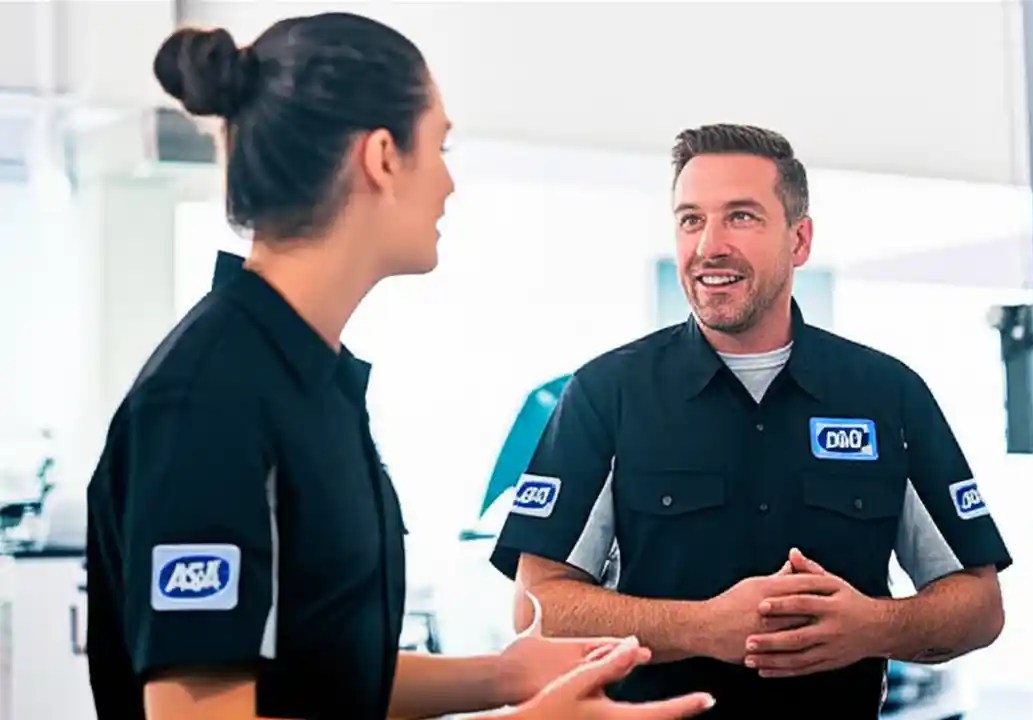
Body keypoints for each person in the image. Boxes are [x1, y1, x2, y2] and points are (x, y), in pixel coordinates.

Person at [83, 13, 713, 720]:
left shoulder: (313, 381)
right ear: (382, 156)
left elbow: (319, 674)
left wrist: (505, 678)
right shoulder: (209, 398)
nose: (448, 183)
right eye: (439, 147)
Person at [489, 124, 1011, 717]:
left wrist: (873, 627)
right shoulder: (606, 393)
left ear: (800, 239)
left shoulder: (887, 395)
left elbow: (980, 605)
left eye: (741, 216)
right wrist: (704, 627)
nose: (710, 245)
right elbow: (536, 608)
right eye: (691, 219)